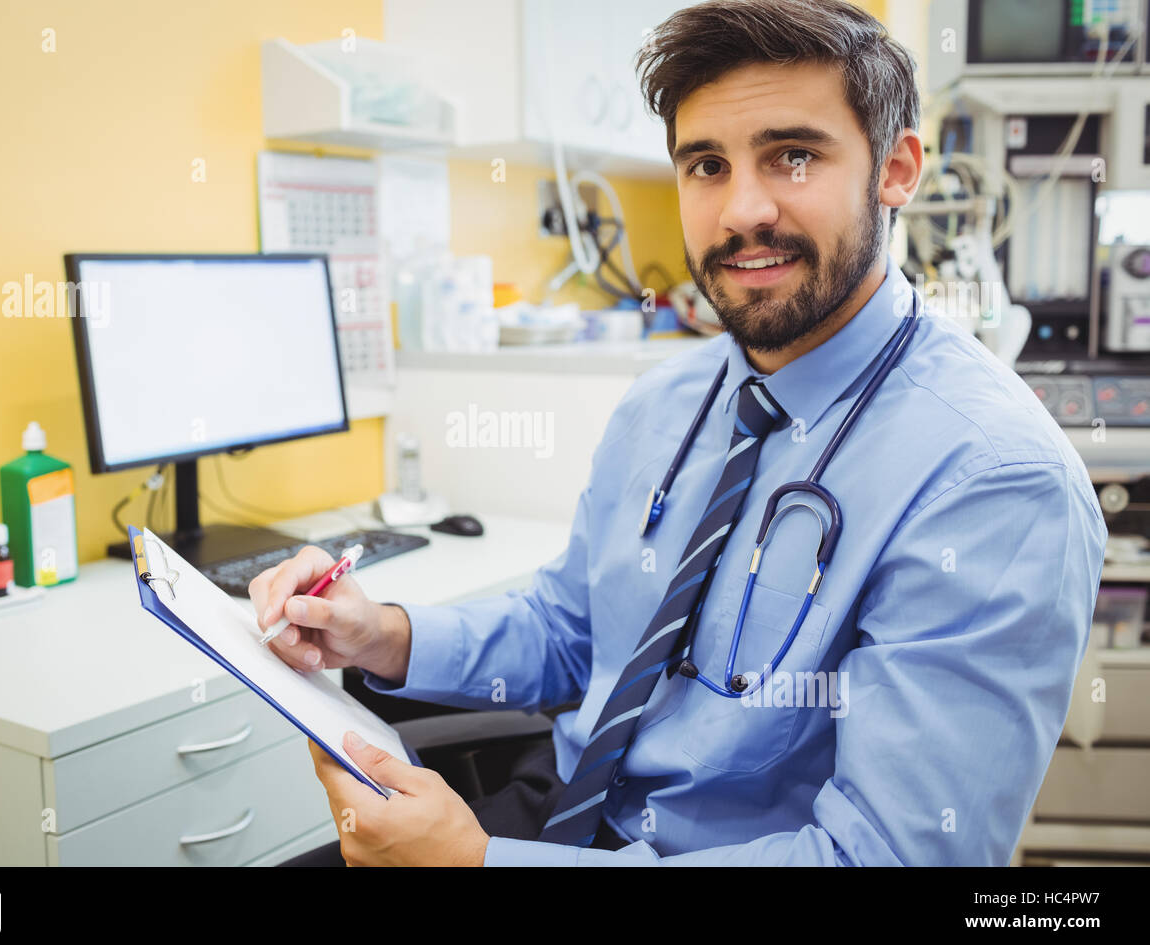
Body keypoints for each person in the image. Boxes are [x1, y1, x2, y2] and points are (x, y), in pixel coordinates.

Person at [250, 0, 1107, 866]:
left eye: (793, 156)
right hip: (567, 814)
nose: (741, 210)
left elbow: (888, 857)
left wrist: (480, 865)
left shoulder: (996, 481)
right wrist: (381, 632)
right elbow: (571, 628)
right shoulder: (669, 399)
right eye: (705, 164)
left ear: (896, 169)